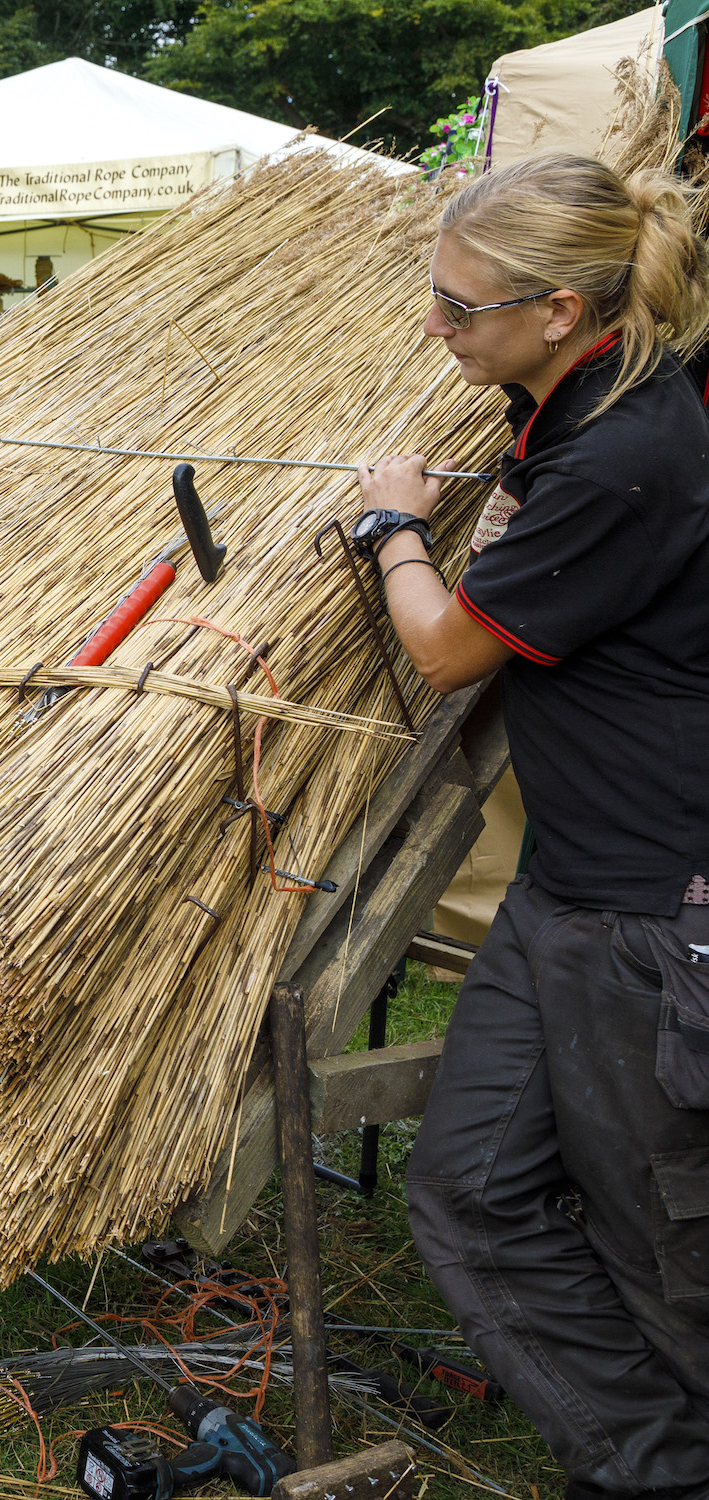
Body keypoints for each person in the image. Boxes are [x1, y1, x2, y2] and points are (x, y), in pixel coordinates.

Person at [357, 154, 709, 1494]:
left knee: (663, 1244)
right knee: (471, 1195)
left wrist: (392, 528)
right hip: (569, 885)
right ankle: (650, 1466)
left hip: (650, 916)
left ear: (562, 307)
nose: (436, 328)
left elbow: (448, 651)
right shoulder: (569, 405)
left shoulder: (625, 446)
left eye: (460, 307)